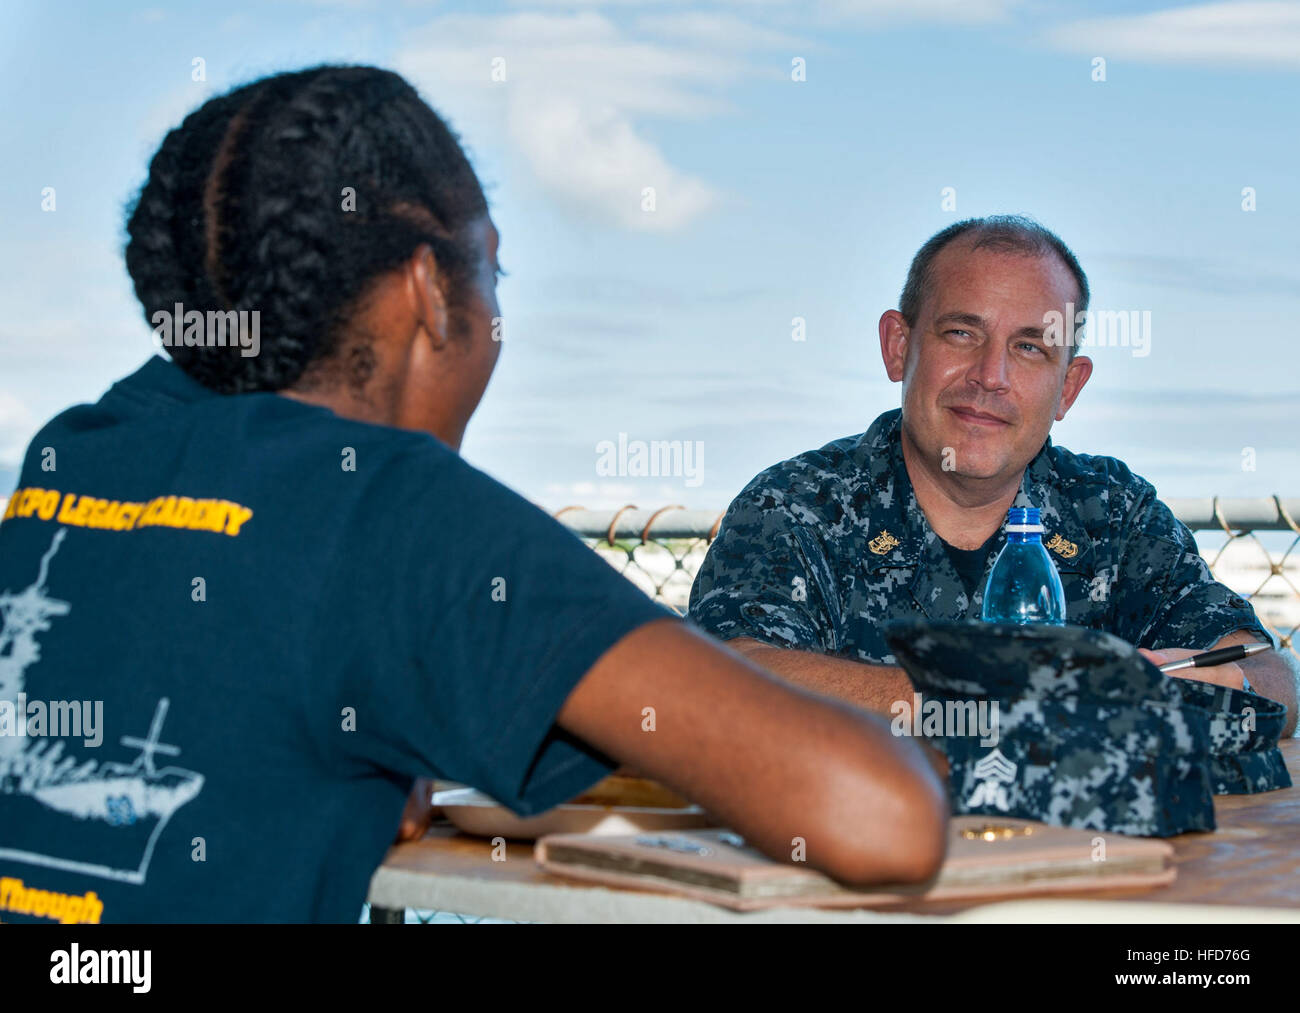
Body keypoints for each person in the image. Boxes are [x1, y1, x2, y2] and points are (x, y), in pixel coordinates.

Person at [0, 65, 947, 924]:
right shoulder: (392, 508)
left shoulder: (79, 452)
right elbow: (880, 814)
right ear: (429, 292)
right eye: (491, 272)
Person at [689, 216, 1297, 737]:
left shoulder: (1113, 514)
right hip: (861, 860)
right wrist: (995, 705)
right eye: (962, 333)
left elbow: (1272, 677)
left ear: (1070, 386)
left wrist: (1208, 681)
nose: (990, 376)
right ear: (898, 347)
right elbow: (725, 675)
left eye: (1030, 348)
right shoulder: (796, 506)